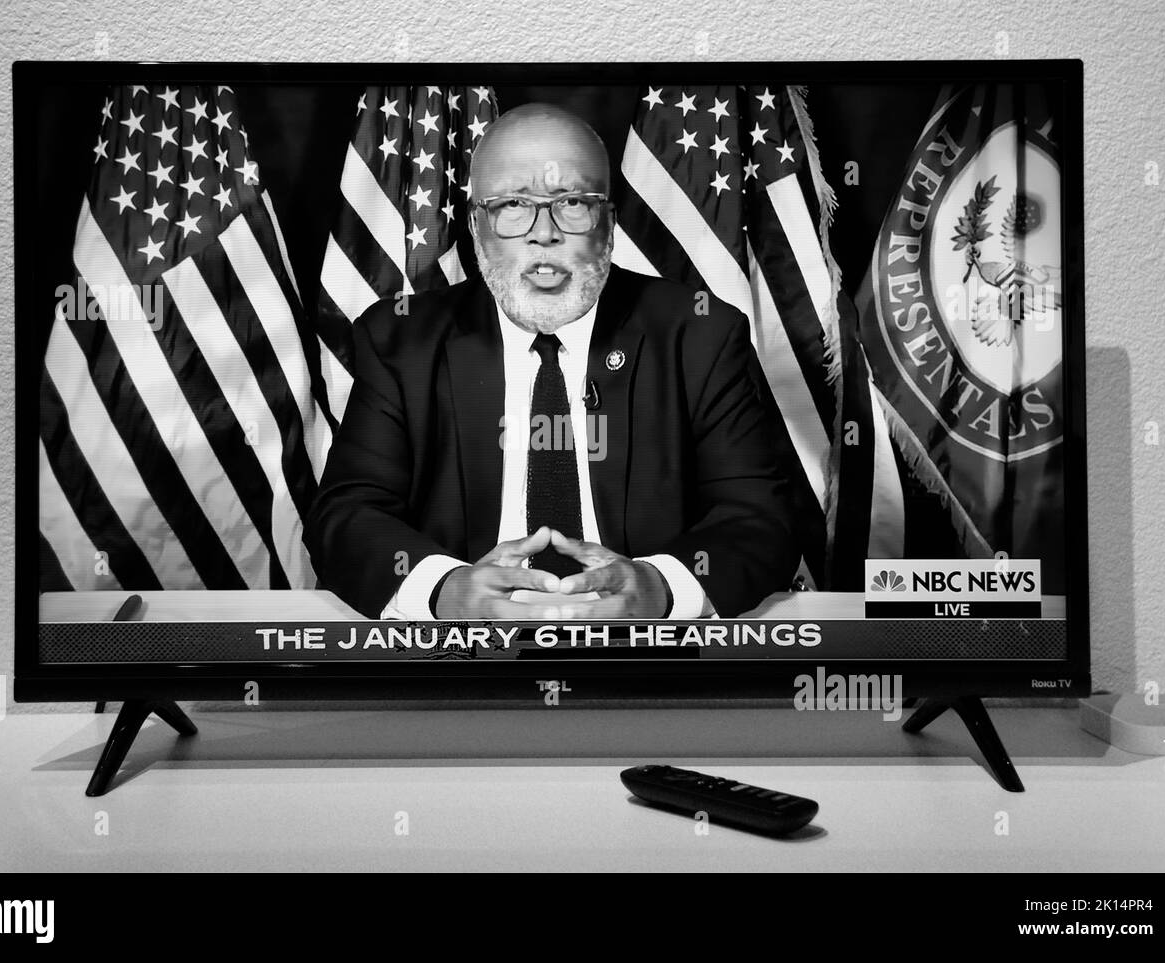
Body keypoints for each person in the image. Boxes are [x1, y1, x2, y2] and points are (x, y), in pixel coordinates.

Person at [305, 102, 803, 620]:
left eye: (573, 203)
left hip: (649, 663)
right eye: (514, 206)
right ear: (477, 228)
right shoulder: (400, 340)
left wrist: (657, 588)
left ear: (609, 225)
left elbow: (760, 518)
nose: (545, 233)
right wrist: (445, 590)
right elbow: (346, 515)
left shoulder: (700, 335)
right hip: (458, 664)